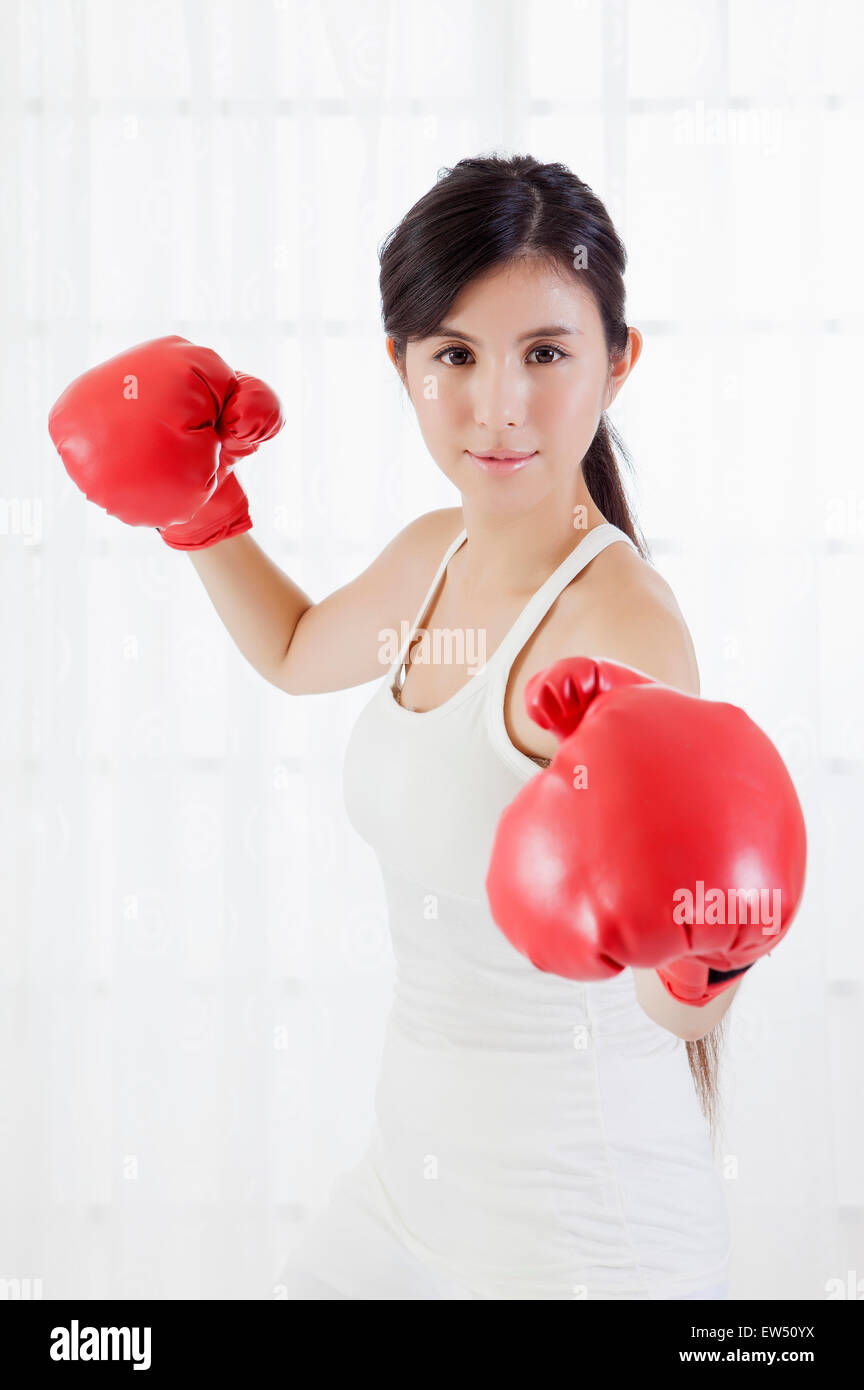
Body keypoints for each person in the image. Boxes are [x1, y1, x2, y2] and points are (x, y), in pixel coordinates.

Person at [49, 154, 796, 1300]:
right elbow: (299, 652)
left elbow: (656, 990)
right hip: (407, 1185)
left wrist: (712, 950)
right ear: (399, 365)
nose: (498, 405)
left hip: (578, 1228)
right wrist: (202, 513)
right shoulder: (429, 555)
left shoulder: (618, 624)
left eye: (546, 353)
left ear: (617, 363)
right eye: (454, 354)